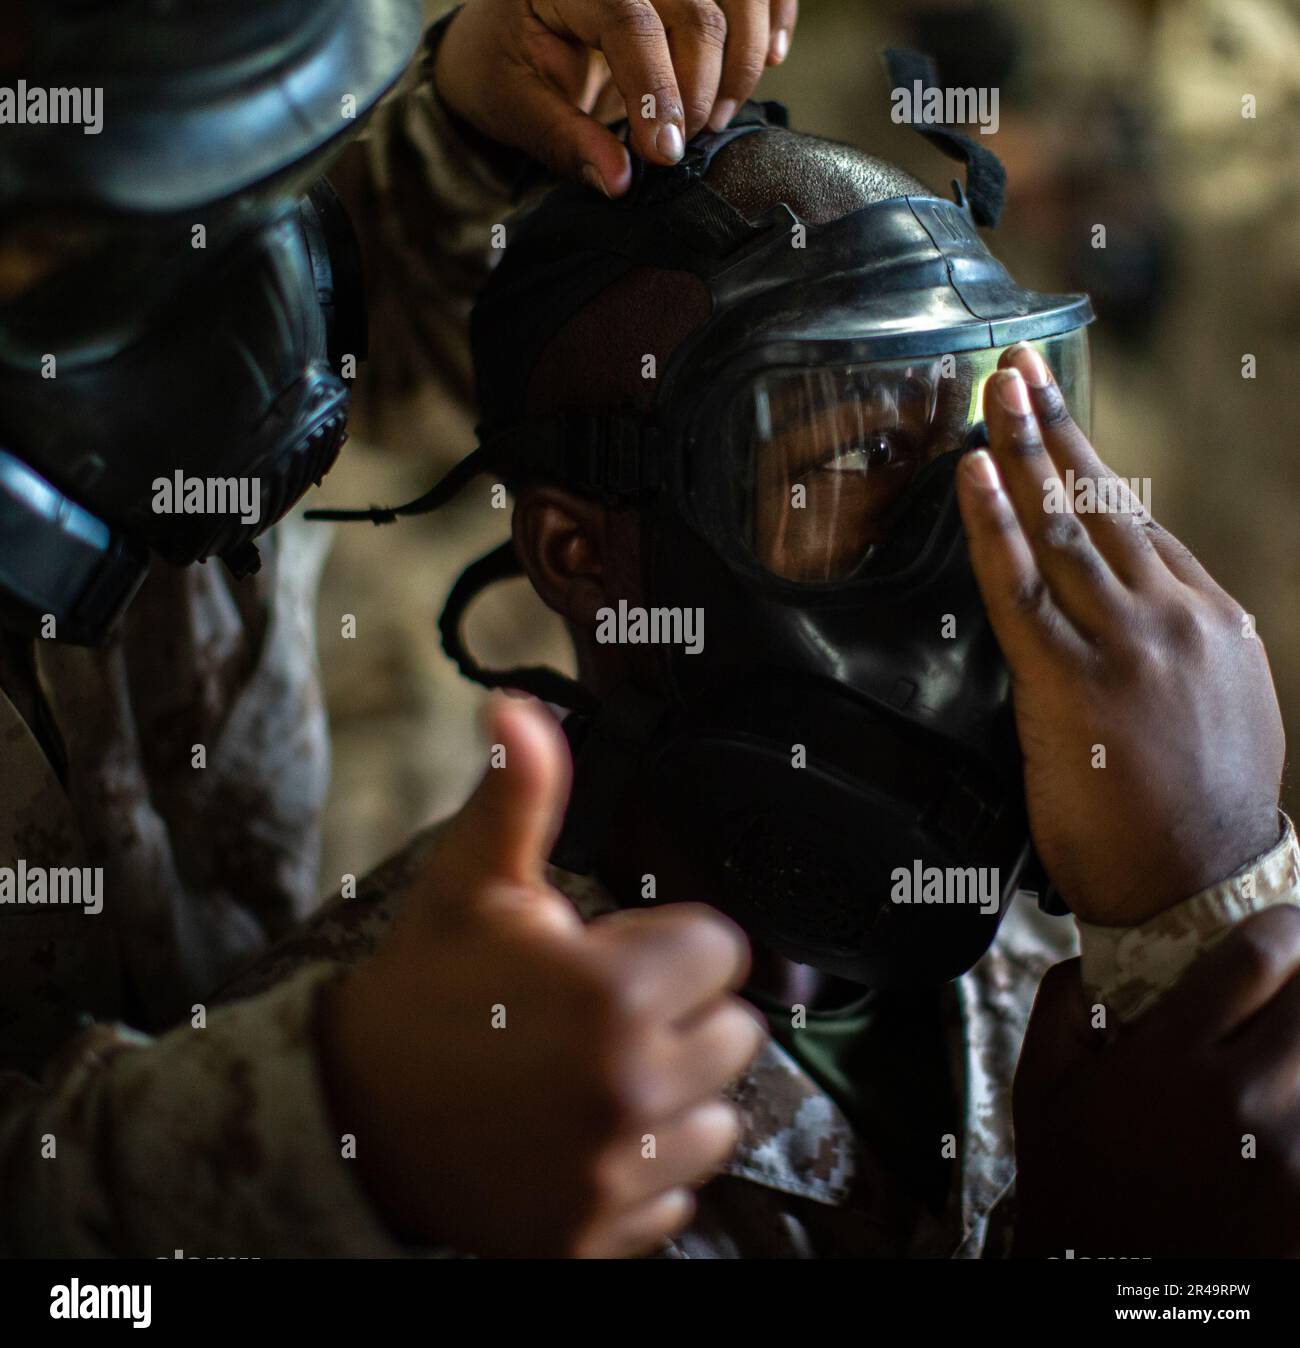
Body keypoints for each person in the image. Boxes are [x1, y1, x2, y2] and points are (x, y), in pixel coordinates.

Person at [234, 103, 1300, 1258]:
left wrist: (1200, 921)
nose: (974, 549)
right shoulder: (410, 1107)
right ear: (580, 554)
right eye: (857, 456)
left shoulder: (1065, 947)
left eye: (987, 438)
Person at [0, 0, 798, 1256]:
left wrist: (478, 127)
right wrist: (314, 1144)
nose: (237, 299)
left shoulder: (186, 269)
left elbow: (352, 312)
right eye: (70, 246)